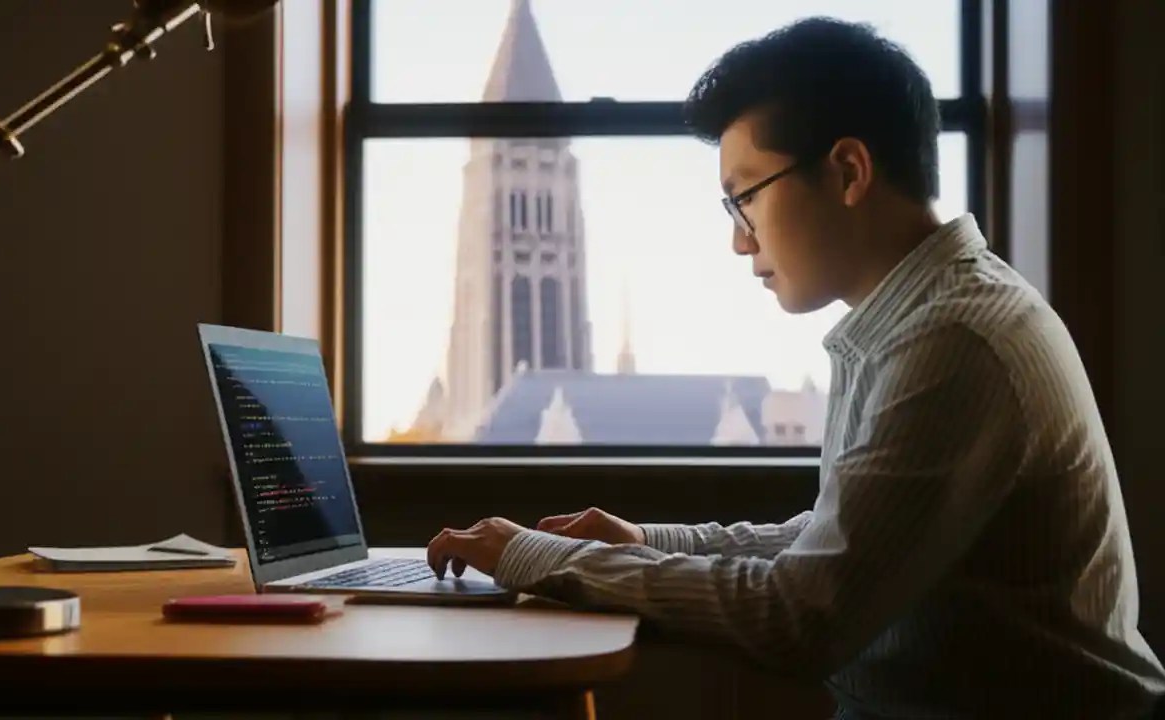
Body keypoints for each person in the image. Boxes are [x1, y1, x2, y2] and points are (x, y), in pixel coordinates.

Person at [425, 16, 1165, 720]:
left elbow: (801, 613)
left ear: (848, 171)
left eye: (744, 199)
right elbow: (842, 539)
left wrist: (540, 556)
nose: (740, 243)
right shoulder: (913, 318)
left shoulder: (956, 342)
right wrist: (651, 541)